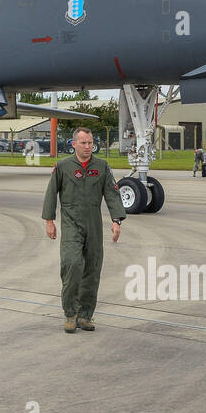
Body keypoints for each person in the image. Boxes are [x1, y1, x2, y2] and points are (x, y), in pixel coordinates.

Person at [42, 127, 125, 333]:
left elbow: (112, 194)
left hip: (93, 223)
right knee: (72, 264)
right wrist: (49, 221)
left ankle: (85, 315)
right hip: (71, 223)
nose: (88, 146)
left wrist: (116, 220)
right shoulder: (63, 166)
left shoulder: (102, 167)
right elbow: (52, 193)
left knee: (92, 269)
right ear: (74, 144)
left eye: (90, 143)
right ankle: (70, 314)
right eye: (83, 143)